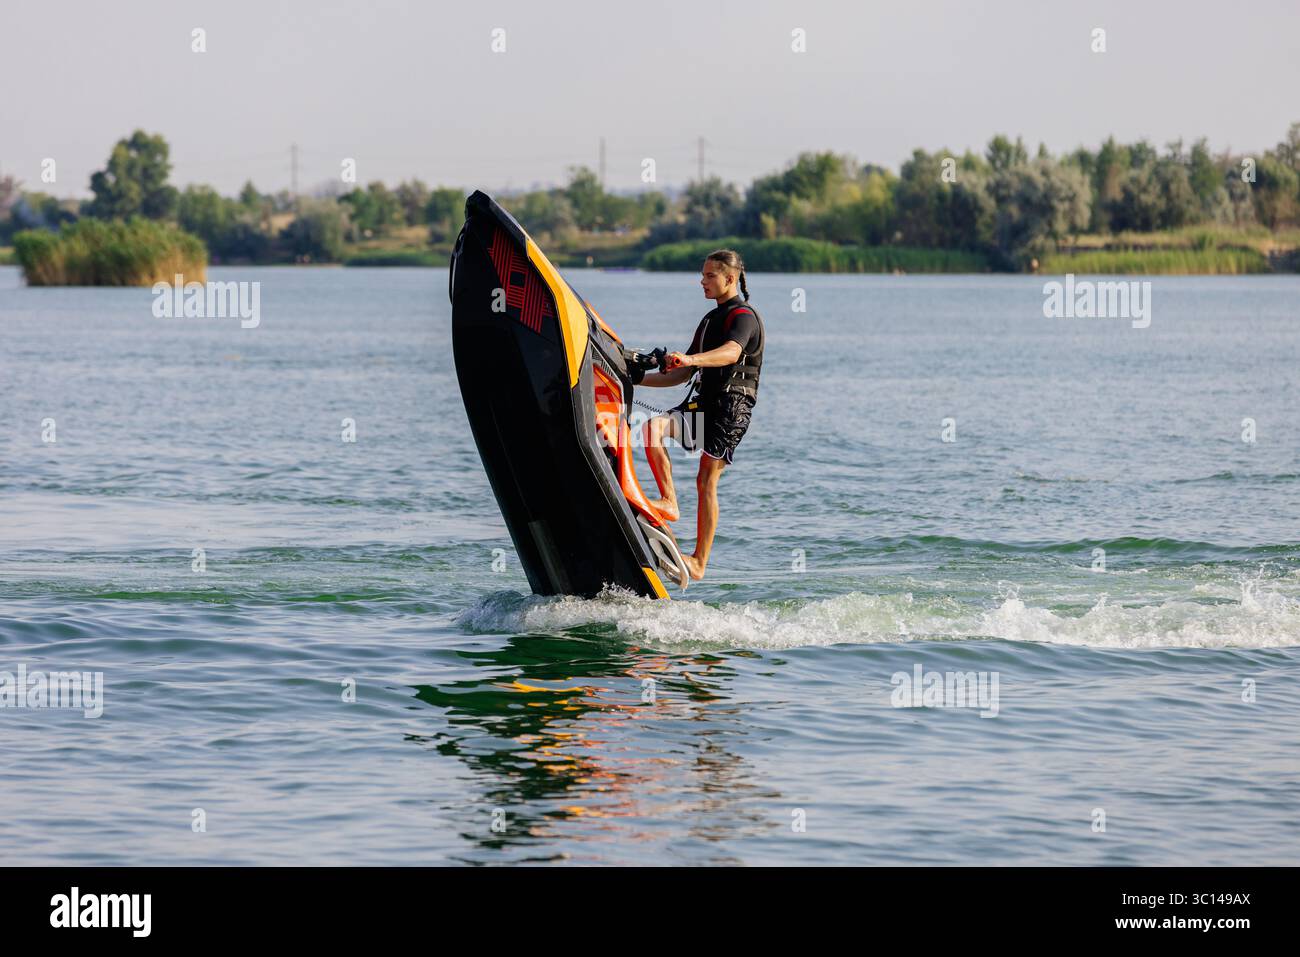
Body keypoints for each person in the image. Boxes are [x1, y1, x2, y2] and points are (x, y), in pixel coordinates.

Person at [638, 249, 765, 581]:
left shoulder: (744, 317)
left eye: (710, 275)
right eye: (703, 274)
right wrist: (636, 379)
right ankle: (668, 501)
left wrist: (692, 361)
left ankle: (699, 562)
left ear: (730, 278)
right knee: (652, 428)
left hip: (731, 410)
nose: (702, 281)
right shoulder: (710, 320)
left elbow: (730, 353)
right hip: (703, 405)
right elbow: (679, 374)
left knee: (706, 480)